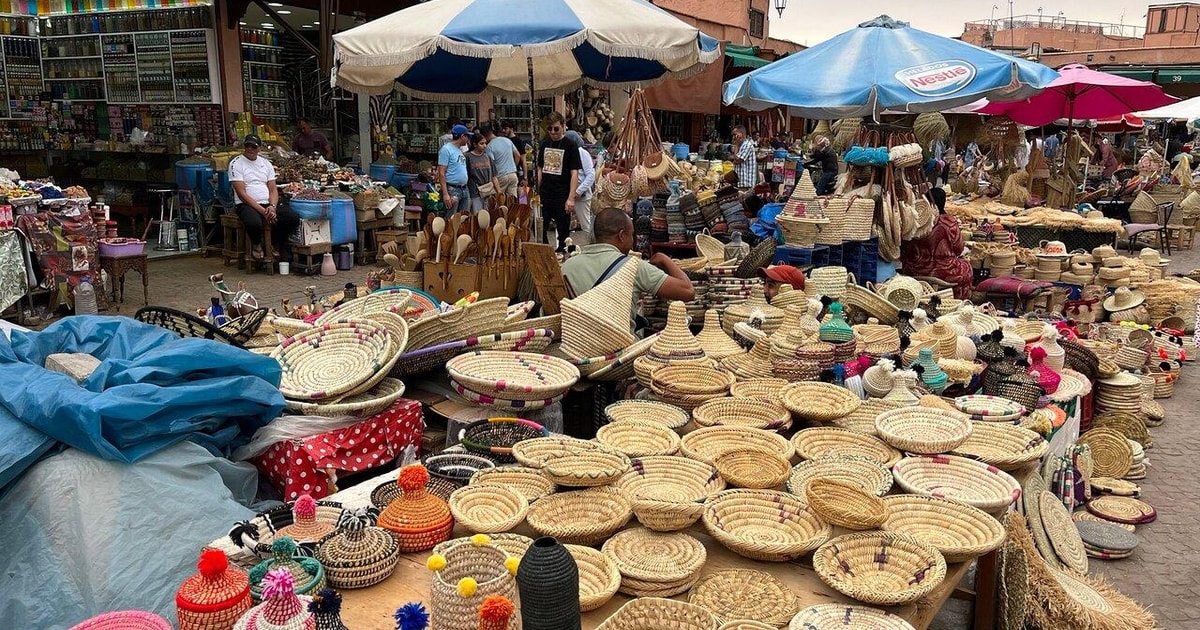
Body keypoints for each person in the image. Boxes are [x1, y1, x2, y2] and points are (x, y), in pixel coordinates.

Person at [562, 208, 696, 333]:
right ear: (621, 236)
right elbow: (688, 292)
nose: (633, 241)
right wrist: (665, 259)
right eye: (631, 235)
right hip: (621, 351)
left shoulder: (567, 266)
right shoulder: (633, 266)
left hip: (578, 346)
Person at [229, 134, 300, 261]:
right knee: (254, 222)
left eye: (253, 146)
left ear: (259, 148)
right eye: (247, 146)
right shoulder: (236, 163)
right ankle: (257, 244)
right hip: (246, 204)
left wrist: (272, 207)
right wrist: (263, 211)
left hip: (267, 203)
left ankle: (275, 242)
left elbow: (273, 189)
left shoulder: (266, 163)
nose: (250, 149)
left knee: (292, 218)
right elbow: (242, 194)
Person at [899, 188, 973, 299]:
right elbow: (959, 249)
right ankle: (958, 300)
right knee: (967, 267)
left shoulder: (914, 221)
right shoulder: (949, 222)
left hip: (913, 269)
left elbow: (903, 250)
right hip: (944, 272)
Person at [537, 112, 582, 252]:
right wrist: (536, 190)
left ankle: (562, 253)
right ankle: (546, 251)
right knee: (539, 226)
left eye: (556, 128)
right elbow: (540, 168)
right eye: (549, 129)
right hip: (545, 193)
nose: (552, 132)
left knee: (563, 231)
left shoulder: (571, 145)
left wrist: (571, 197)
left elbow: (574, 172)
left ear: (563, 126)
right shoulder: (544, 144)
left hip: (562, 194)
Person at [566, 129, 596, 242]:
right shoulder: (567, 151)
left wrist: (578, 191)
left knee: (585, 225)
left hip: (581, 196)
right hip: (567, 194)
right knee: (563, 224)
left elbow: (590, 175)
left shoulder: (582, 153)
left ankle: (591, 247)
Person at [481, 122, 523, 197]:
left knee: (499, 200)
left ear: (484, 136)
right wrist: (513, 166)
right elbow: (518, 155)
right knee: (512, 200)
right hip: (513, 174)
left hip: (500, 176)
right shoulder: (507, 140)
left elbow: (491, 164)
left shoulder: (489, 147)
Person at [438, 124, 472, 214]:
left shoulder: (459, 150)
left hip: (464, 188)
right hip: (452, 189)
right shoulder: (446, 149)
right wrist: (445, 194)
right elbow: (441, 172)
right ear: (462, 136)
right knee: (451, 219)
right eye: (467, 136)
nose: (468, 139)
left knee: (464, 218)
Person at [465, 134, 501, 212]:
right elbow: (465, 176)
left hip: (489, 191)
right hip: (475, 192)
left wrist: (499, 191)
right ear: (474, 144)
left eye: (485, 143)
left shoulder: (487, 157)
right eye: (481, 143)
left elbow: (494, 176)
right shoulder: (468, 157)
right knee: (477, 215)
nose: (484, 146)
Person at [730, 125, 758, 190]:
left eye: (735, 135)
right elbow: (735, 160)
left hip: (746, 182)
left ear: (741, 134)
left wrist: (736, 144)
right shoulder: (741, 145)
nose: (733, 137)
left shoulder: (747, 145)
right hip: (741, 181)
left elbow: (737, 160)